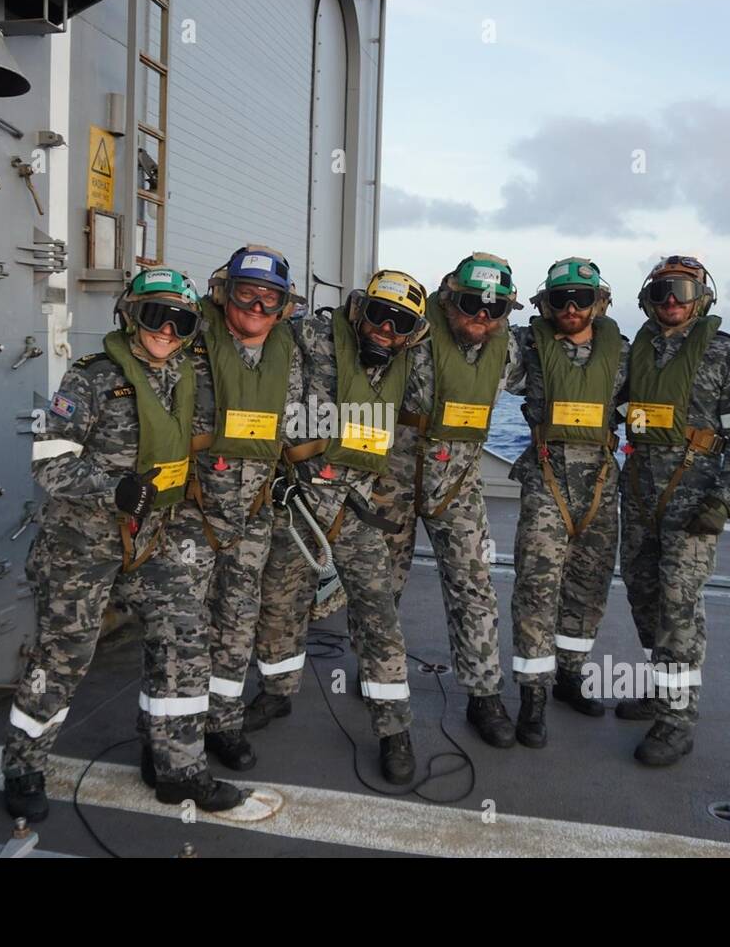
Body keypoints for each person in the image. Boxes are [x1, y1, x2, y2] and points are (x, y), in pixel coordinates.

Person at [3, 267, 245, 819]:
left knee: (185, 636)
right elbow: (49, 462)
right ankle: (23, 765)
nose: (165, 330)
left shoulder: (185, 375)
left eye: (180, 321)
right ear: (130, 316)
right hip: (80, 547)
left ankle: (177, 767)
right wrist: (113, 488)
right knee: (64, 656)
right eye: (154, 315)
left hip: (150, 541)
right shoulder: (91, 377)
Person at [250, 270, 430, 784]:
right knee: (280, 605)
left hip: (357, 510)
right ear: (358, 311)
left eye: (399, 324)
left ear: (412, 333)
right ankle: (277, 692)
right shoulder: (311, 337)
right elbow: (261, 331)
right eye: (378, 315)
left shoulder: (410, 362)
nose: (384, 330)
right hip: (299, 502)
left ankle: (393, 727)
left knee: (378, 617)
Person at [375, 252, 523, 748]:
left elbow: (557, 378)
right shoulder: (412, 332)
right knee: (381, 584)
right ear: (446, 296)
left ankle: (484, 694)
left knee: (473, 585)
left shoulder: (509, 350)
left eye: (494, 309)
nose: (481, 317)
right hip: (392, 474)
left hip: (457, 482)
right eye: (469, 304)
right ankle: (379, 680)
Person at [618, 254, 730, 765]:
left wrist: (723, 500)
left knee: (679, 609)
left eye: (680, 289)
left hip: (692, 498)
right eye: (661, 291)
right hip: (638, 494)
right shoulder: (634, 351)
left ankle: (678, 720)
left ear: (701, 295)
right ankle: (662, 688)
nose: (671, 300)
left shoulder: (727, 355)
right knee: (643, 596)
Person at [190, 246, 304, 773]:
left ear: (284, 306)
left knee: (238, 619)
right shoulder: (188, 337)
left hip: (254, 514)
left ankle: (223, 723)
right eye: (246, 292)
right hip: (191, 511)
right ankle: (170, 733)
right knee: (181, 625)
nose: (257, 306)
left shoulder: (291, 351)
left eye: (270, 297)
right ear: (223, 292)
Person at [506, 257, 629, 748]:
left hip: (601, 481)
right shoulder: (527, 348)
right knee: (537, 586)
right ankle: (532, 696)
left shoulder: (622, 353)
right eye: (561, 299)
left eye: (582, 298)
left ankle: (569, 674)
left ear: (600, 302)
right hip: (547, 477)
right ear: (545, 303)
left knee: (588, 585)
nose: (572, 308)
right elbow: (475, 341)